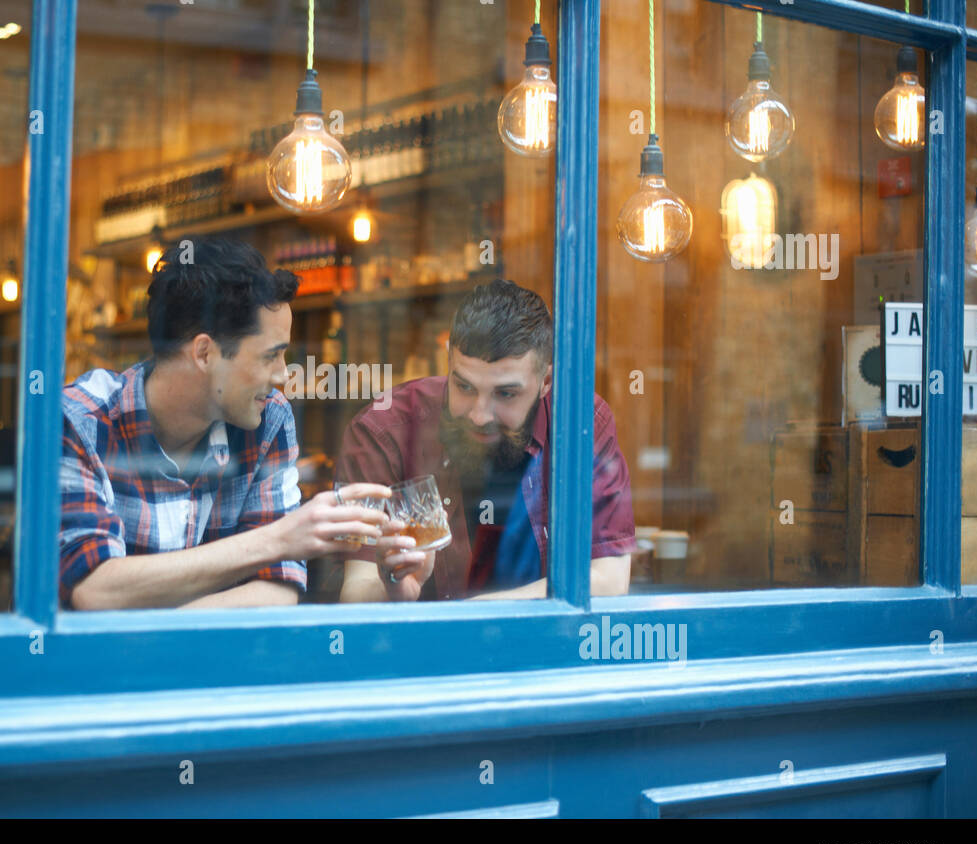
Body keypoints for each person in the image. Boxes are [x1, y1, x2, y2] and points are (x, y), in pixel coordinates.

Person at [59, 236, 390, 610]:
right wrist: (279, 540)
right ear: (204, 354)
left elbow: (277, 591)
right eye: (271, 356)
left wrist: (157, 630)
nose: (284, 375)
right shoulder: (80, 420)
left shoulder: (269, 420)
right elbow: (94, 588)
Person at [336, 279, 635, 602]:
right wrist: (395, 586)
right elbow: (356, 591)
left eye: (505, 393)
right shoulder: (385, 430)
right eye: (464, 387)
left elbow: (609, 578)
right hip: (421, 648)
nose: (480, 415)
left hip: (545, 646)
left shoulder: (580, 421)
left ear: (546, 381)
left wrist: (477, 614)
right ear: (448, 359)